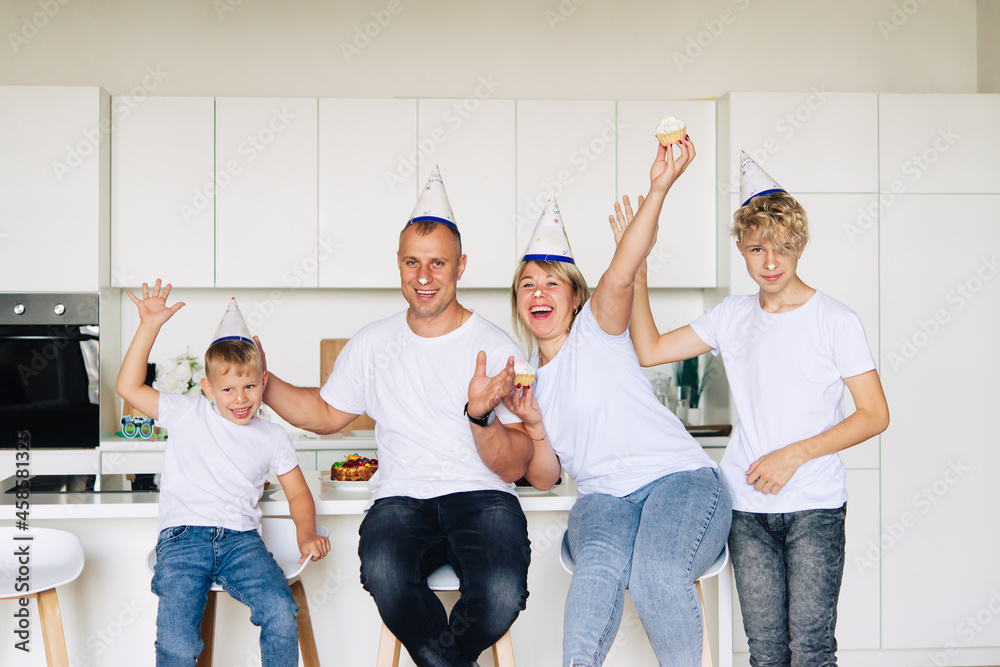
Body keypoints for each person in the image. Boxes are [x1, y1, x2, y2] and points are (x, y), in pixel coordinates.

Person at [619, 152, 890, 665]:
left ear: (801, 246)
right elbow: (649, 349)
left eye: (783, 249)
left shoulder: (836, 321)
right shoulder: (731, 317)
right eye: (757, 248)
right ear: (740, 248)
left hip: (814, 507)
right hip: (747, 510)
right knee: (765, 653)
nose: (770, 262)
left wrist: (793, 455)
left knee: (810, 650)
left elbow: (875, 413)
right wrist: (638, 267)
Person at [260, 167, 534, 667]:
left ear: (461, 266)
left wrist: (483, 417)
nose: (423, 277)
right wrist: (263, 378)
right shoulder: (372, 343)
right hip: (402, 498)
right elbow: (323, 413)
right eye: (412, 262)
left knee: (500, 591)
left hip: (482, 498)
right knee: (385, 573)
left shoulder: (495, 347)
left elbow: (517, 467)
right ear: (400, 265)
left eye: (437, 263)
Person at [505, 139, 732, 667]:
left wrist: (659, 187)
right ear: (518, 300)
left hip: (679, 481)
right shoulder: (524, 383)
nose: (539, 293)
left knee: (656, 574)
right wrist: (534, 425)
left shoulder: (597, 329)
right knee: (596, 572)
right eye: (528, 285)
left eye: (552, 282)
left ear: (576, 296)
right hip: (603, 499)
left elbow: (623, 269)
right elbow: (543, 477)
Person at [117, 285, 330, 667]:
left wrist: (307, 532)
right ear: (207, 388)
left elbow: (298, 493)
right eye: (228, 388)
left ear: (264, 383)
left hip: (242, 543)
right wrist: (149, 327)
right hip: (183, 539)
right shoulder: (186, 412)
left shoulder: (273, 436)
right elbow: (128, 387)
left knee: (282, 613)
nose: (240, 398)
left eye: (250, 386)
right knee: (178, 646)